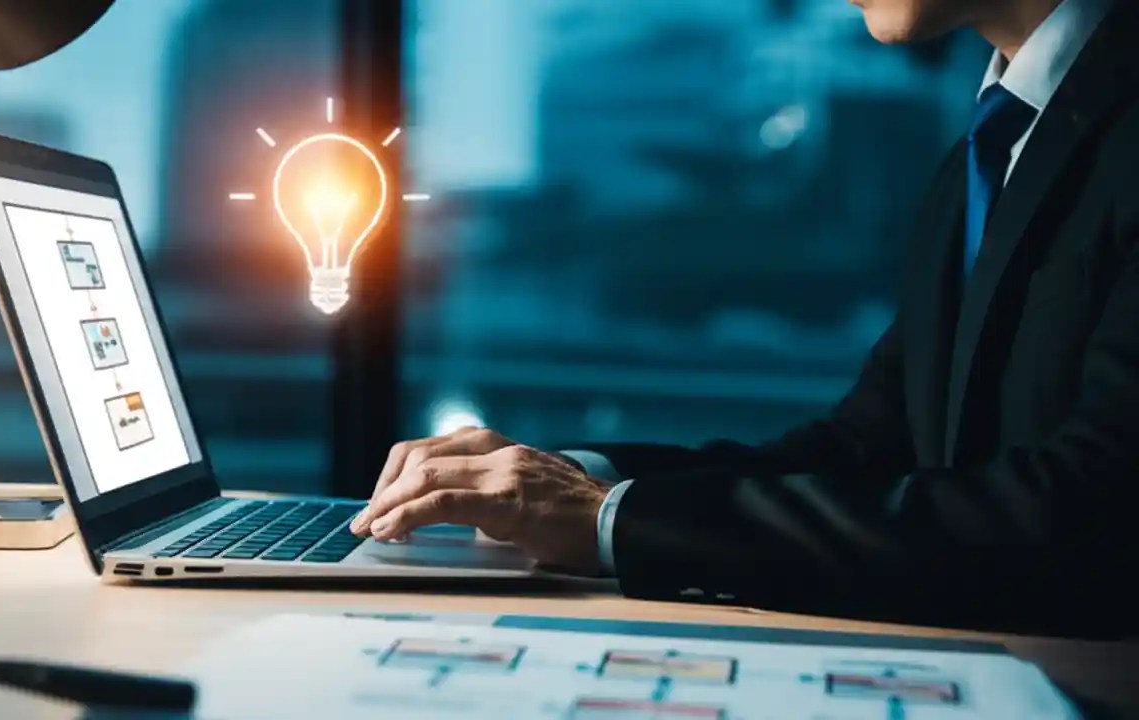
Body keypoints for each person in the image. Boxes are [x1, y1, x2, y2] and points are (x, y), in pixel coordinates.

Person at [352, 0, 1139, 634]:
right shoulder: (992, 146)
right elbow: (864, 450)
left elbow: (1086, 515)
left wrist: (607, 520)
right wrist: (575, 484)